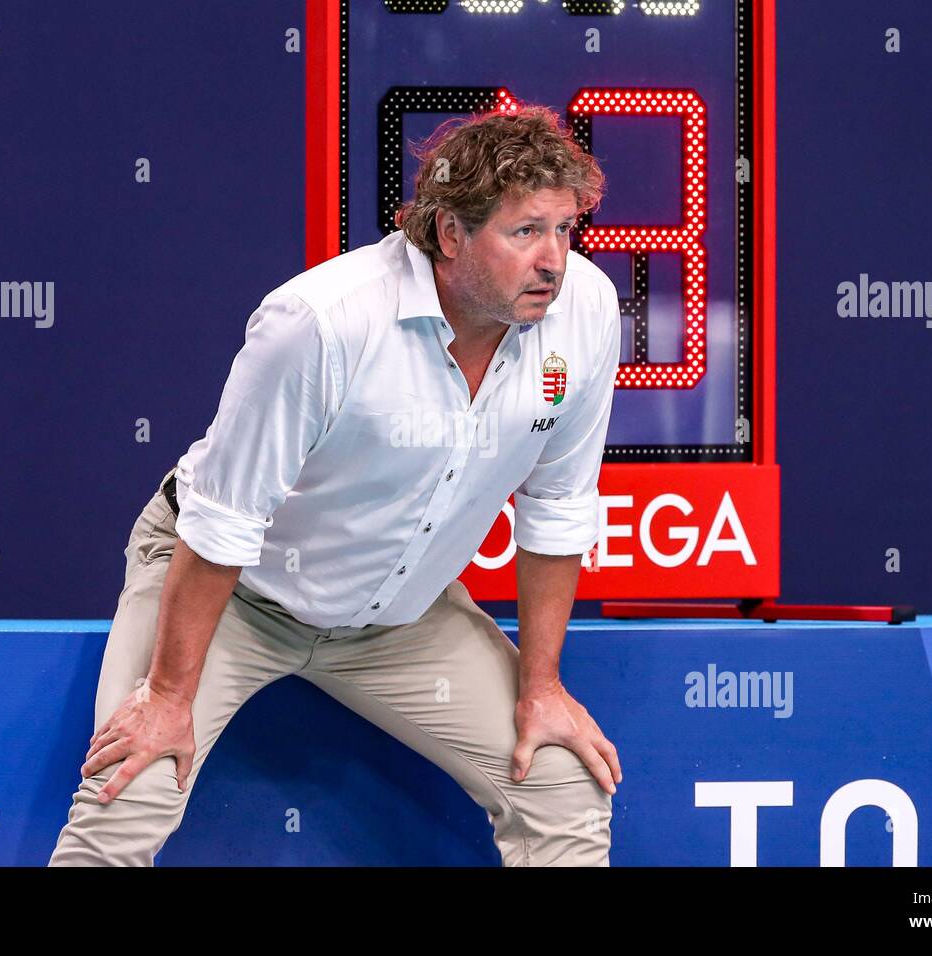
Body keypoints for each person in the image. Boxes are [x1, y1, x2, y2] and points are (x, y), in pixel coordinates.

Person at [48, 104, 623, 867]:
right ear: (450, 235)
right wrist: (167, 699)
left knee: (559, 779)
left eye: (564, 229)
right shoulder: (321, 323)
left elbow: (557, 506)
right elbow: (223, 522)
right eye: (525, 232)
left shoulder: (584, 308)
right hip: (235, 595)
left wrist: (541, 686)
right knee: (133, 783)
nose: (553, 259)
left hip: (398, 620)